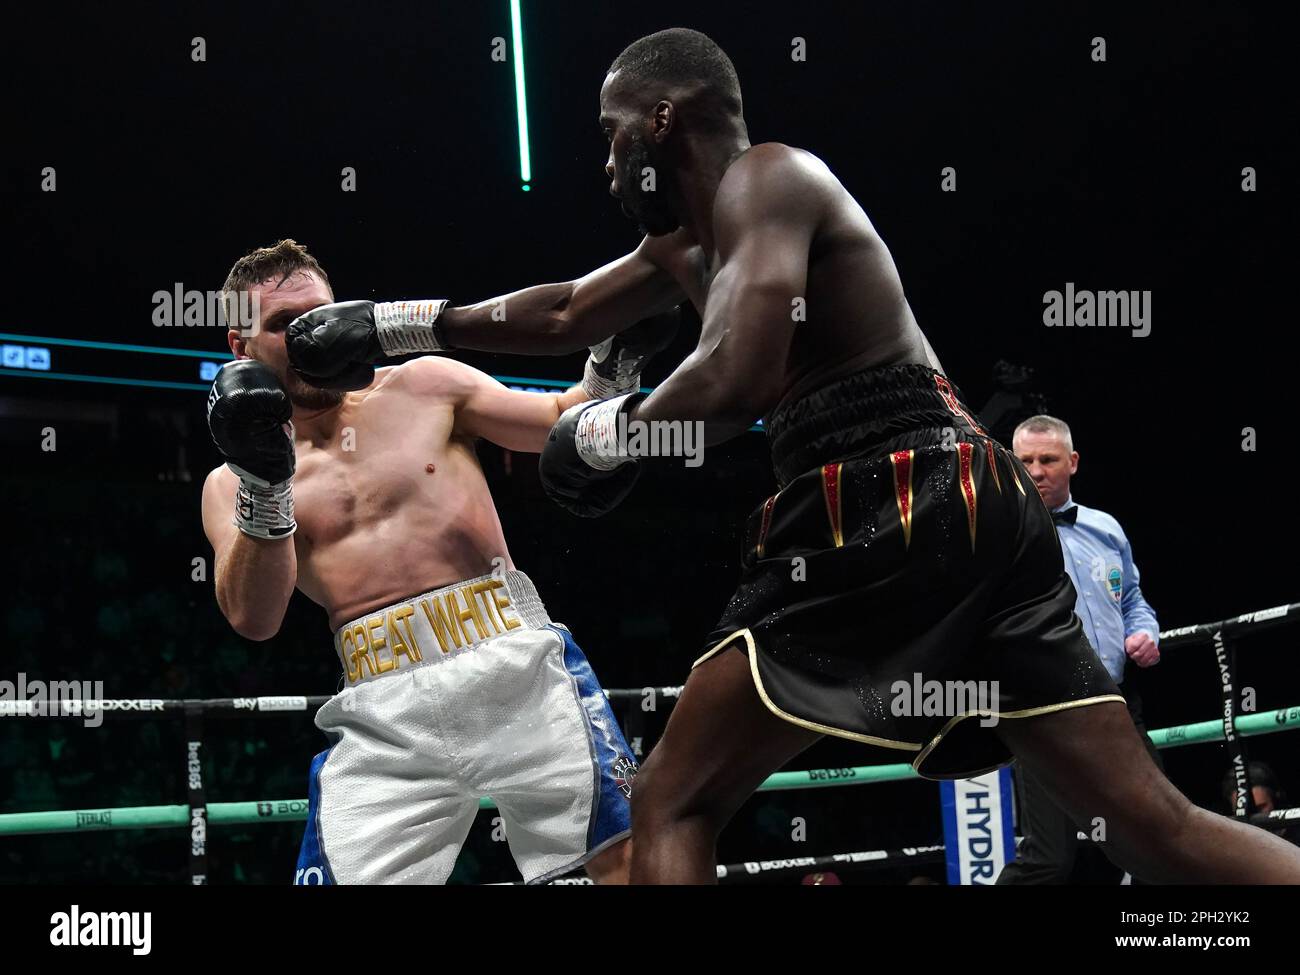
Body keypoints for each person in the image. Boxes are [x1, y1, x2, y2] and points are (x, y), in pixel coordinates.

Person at [284, 29, 1300, 884]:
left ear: (665, 117)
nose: (602, 165)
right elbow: (555, 313)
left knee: (672, 799)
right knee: (1149, 829)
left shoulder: (772, 177)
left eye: (608, 134)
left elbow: (732, 373)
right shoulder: (684, 244)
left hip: (885, 491)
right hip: (975, 504)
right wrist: (389, 325)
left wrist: (597, 436)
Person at [202, 239, 667, 885]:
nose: (307, 337)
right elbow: (255, 618)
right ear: (240, 344)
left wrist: (614, 364)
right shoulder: (229, 483)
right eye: (284, 325)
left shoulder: (424, 383)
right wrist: (267, 485)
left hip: (511, 658)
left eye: (317, 317)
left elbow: (560, 420)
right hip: (380, 702)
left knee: (625, 859)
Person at [997, 415, 1162, 884]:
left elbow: (1132, 600)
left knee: (1162, 831)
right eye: (1025, 461)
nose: (1036, 471)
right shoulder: (996, 537)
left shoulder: (1105, 528)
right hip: (1044, 711)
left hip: (1116, 704)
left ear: (1072, 462)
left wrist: (1145, 633)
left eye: (1047, 460)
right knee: (1049, 859)